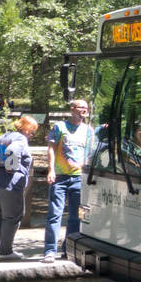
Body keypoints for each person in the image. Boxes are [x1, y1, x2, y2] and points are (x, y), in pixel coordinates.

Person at [44, 98, 96, 261]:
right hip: (59, 177)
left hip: (78, 179)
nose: (85, 111)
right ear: (72, 109)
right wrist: (51, 169)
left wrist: (86, 171)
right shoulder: (60, 127)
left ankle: (68, 249)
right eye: (82, 108)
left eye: (86, 108)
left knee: (75, 216)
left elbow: (90, 153)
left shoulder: (88, 130)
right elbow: (51, 148)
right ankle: (49, 250)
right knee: (55, 214)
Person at [0, 116, 38, 261]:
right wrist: (11, 168)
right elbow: (12, 151)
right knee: (12, 217)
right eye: (32, 132)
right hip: (8, 185)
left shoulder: (5, 136)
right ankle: (6, 251)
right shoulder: (20, 139)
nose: (32, 135)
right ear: (26, 128)